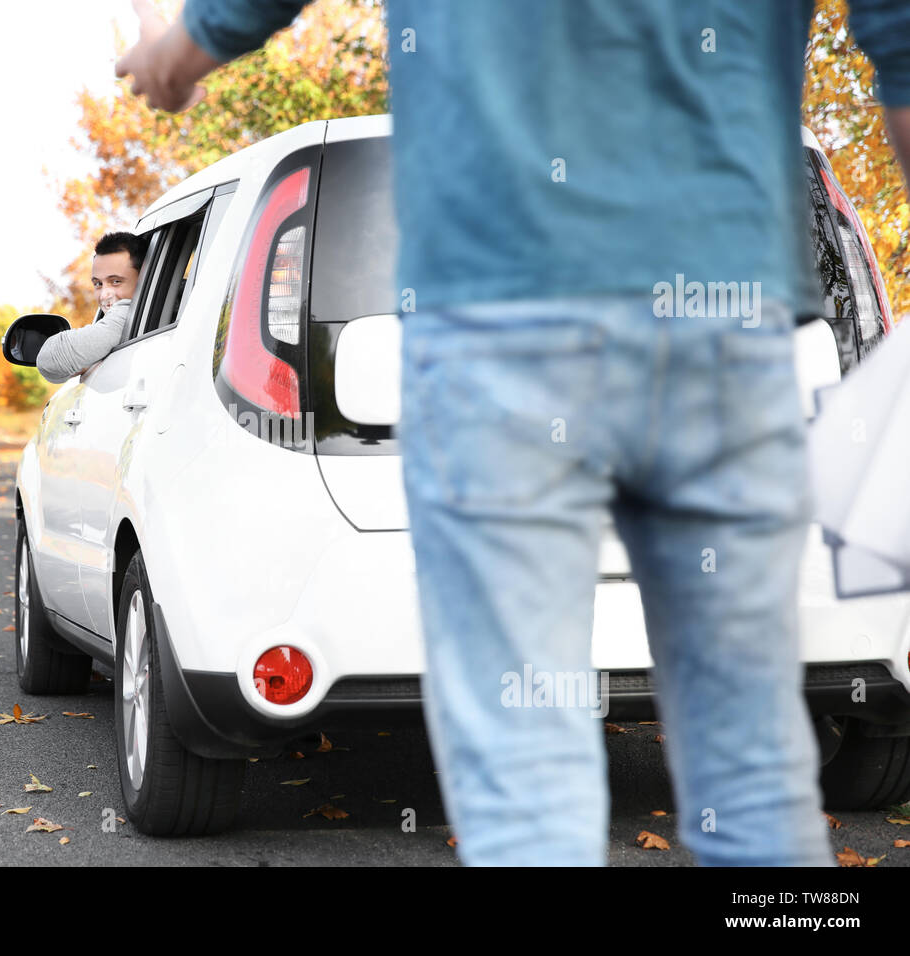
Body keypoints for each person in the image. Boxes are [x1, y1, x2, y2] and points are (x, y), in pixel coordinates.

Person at [115, 0, 910, 865]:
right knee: (752, 761)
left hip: (498, 314)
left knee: (527, 776)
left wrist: (178, 55)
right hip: (726, 314)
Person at [36, 231, 150, 383]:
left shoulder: (125, 314)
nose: (104, 295)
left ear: (145, 278)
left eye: (116, 281)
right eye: (98, 284)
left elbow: (48, 361)